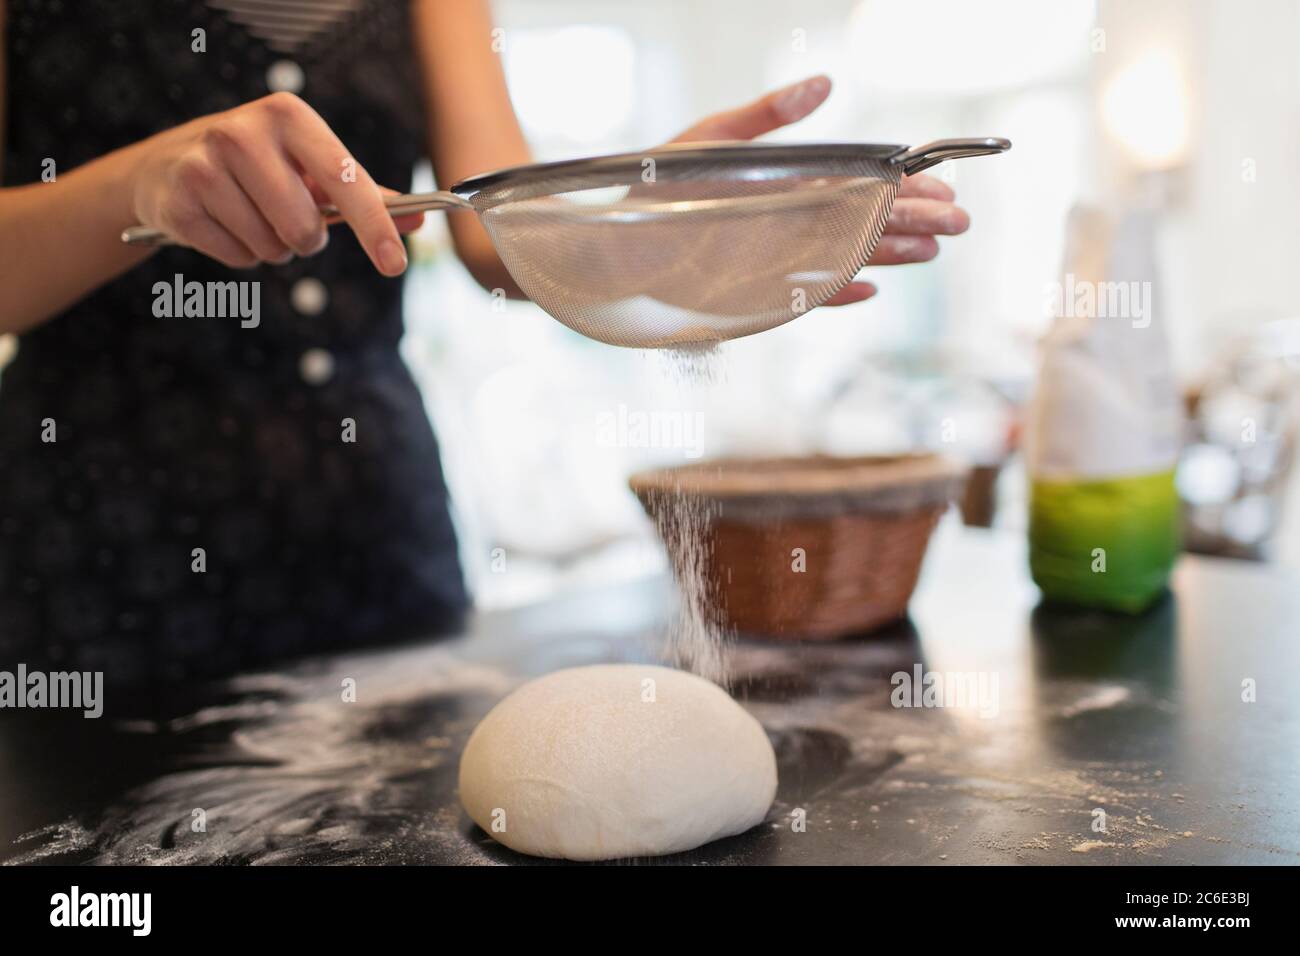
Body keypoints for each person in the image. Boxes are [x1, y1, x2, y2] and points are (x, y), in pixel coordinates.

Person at [0, 0, 970, 686]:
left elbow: (490, 233)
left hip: (376, 521)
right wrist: (137, 188)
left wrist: (640, 222)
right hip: (95, 540)